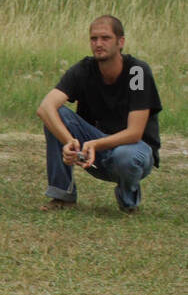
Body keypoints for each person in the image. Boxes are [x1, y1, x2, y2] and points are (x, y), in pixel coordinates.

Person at [36, 14, 161, 213]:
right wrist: (69, 141)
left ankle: (128, 200)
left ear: (121, 42)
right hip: (92, 152)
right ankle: (62, 196)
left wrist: (94, 144)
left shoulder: (136, 72)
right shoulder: (83, 70)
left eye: (105, 38)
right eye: (94, 39)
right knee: (55, 114)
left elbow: (135, 133)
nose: (98, 44)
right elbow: (45, 107)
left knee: (126, 156)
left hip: (133, 150)